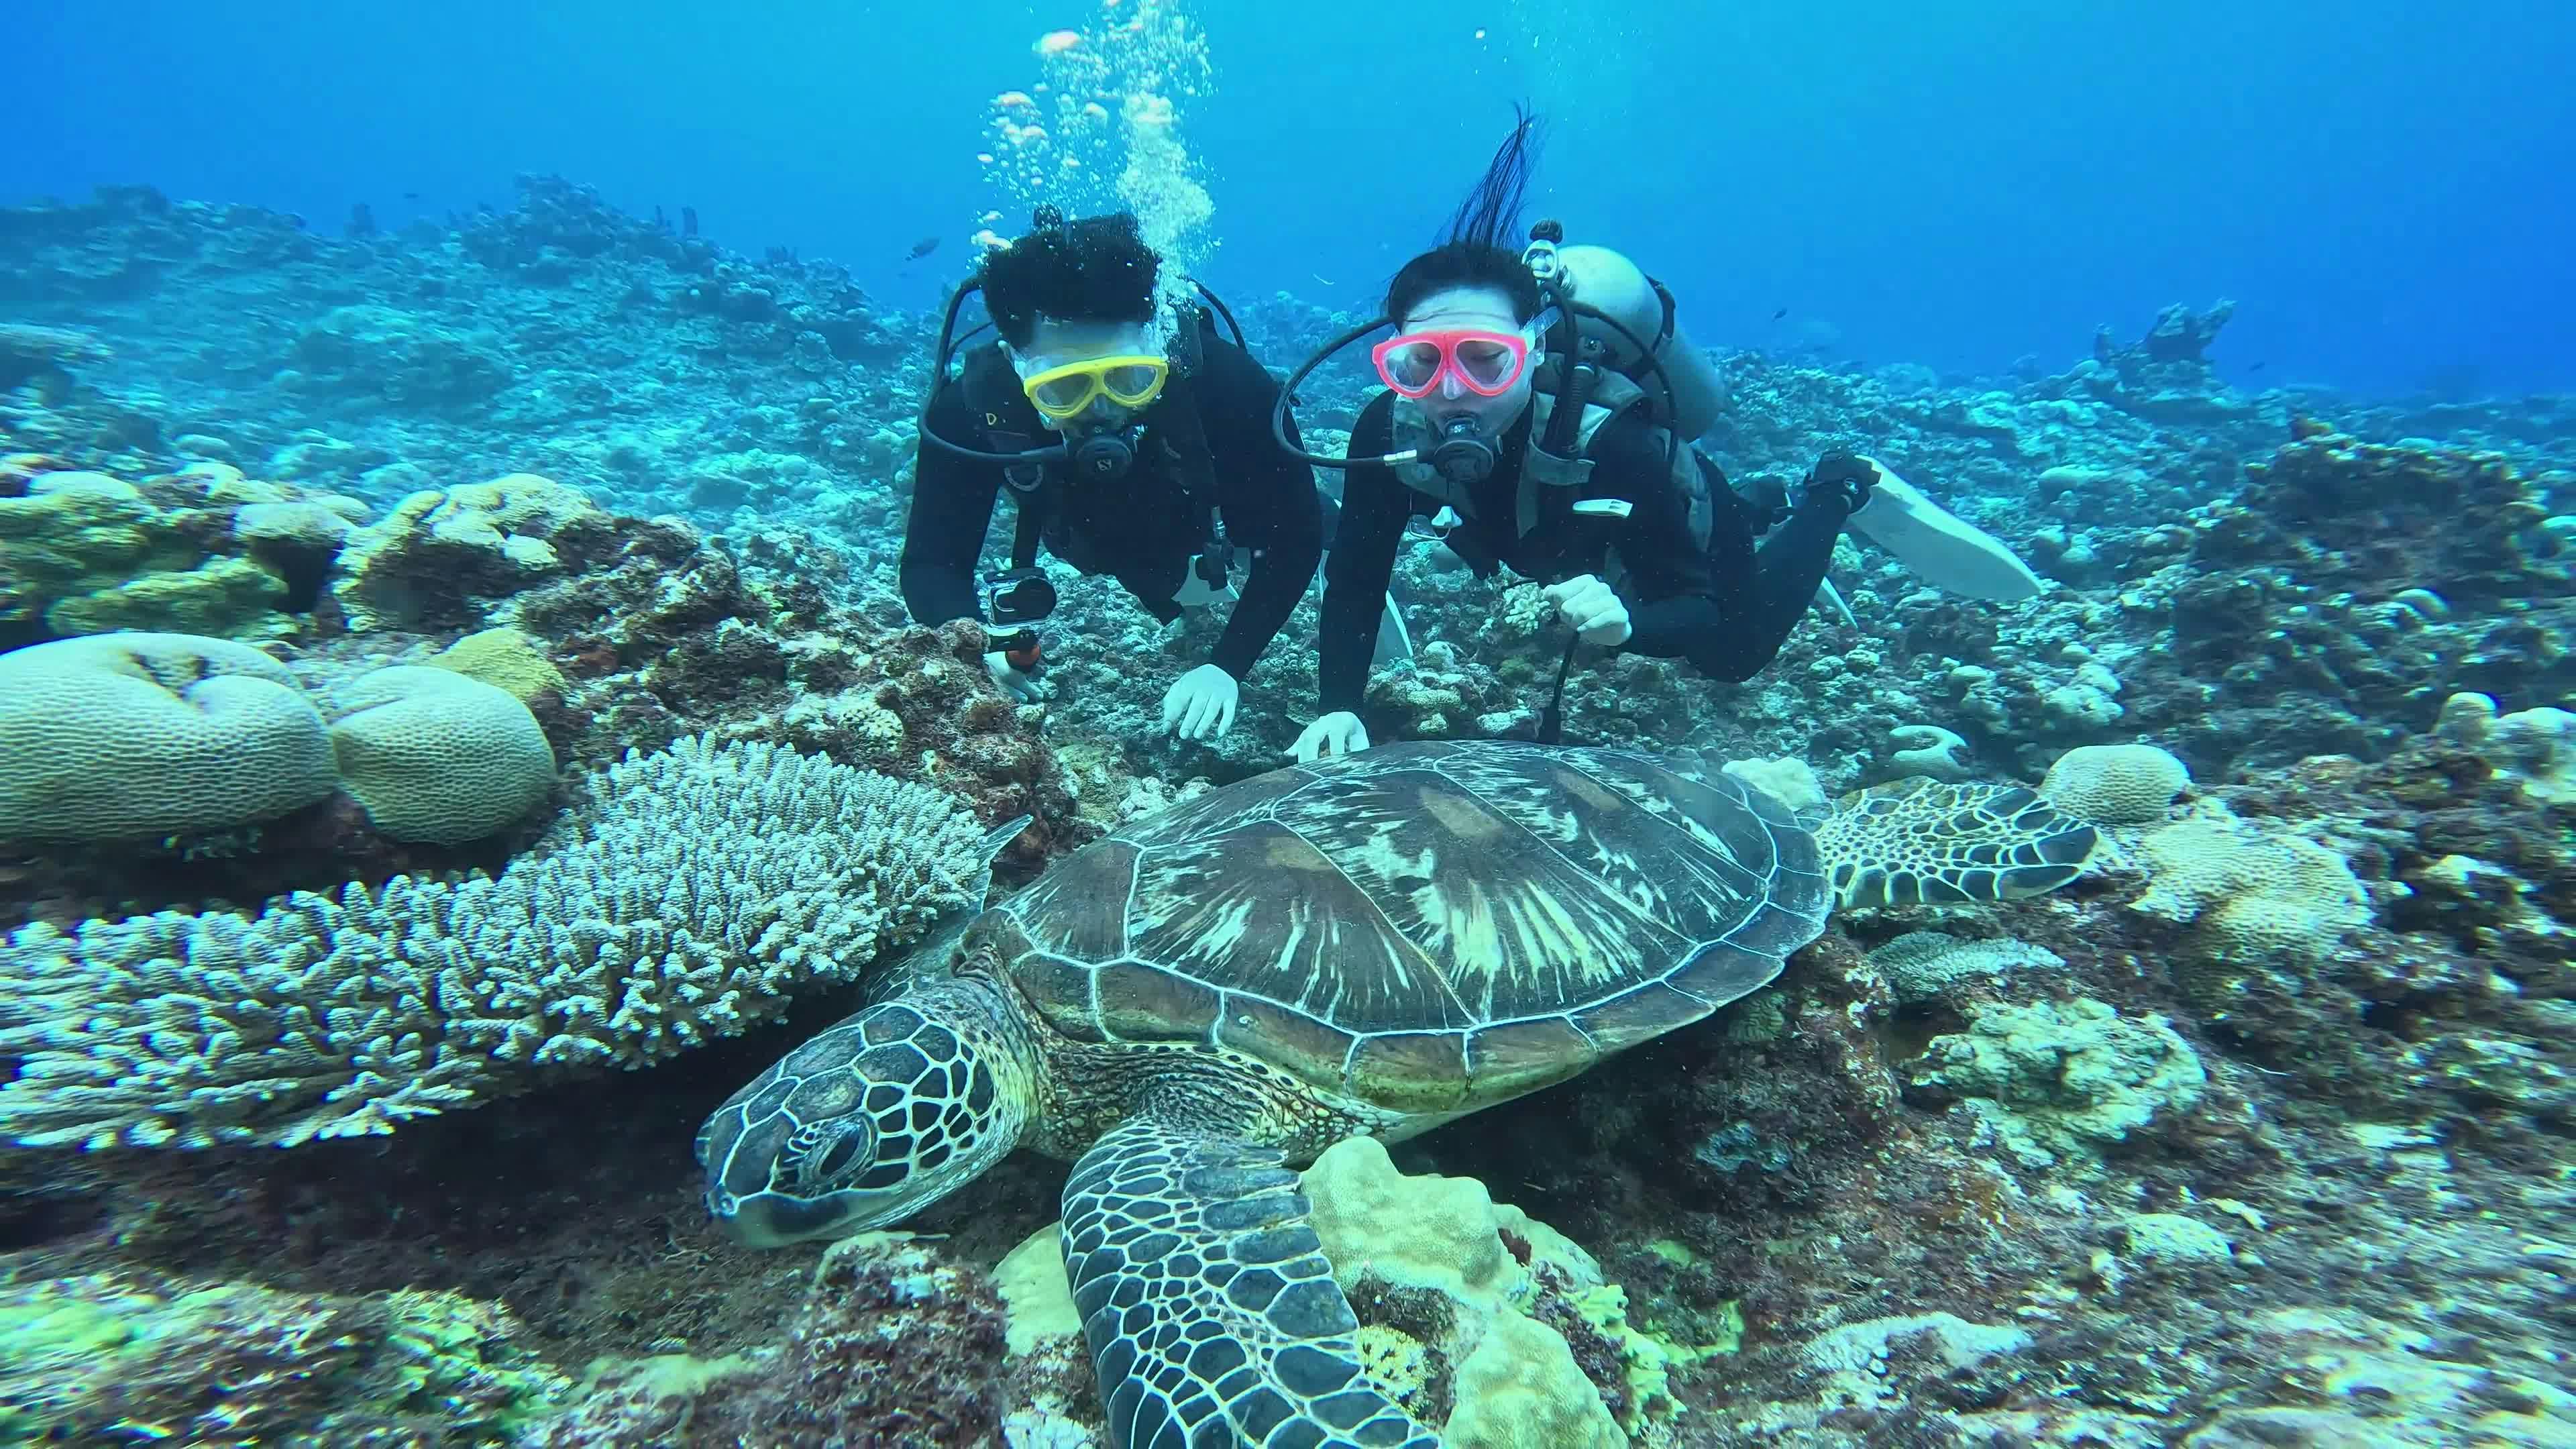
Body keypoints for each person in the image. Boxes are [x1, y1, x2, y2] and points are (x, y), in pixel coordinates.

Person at [1273, 113, 1876, 762]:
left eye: (1486, 359)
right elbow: (1358, 575)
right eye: (1420, 363)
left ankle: (1833, 491)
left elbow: (1695, 604)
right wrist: (1339, 703)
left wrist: (1628, 626)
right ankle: (1764, 501)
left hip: (1668, 507)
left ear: (1533, 352)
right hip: (1564, 535)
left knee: (1732, 655)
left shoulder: (1613, 442)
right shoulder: (1387, 431)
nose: (1451, 391)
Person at [901, 207, 1322, 742]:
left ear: (1157, 345)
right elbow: (932, 561)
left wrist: (1227, 665)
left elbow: (1295, 537)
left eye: (1128, 380)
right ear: (1015, 361)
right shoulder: (969, 411)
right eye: (1065, 389)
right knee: (1161, 582)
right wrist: (977, 650)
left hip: (1211, 521)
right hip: (1097, 538)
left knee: (1289, 529)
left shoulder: (1226, 382)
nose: (1102, 412)